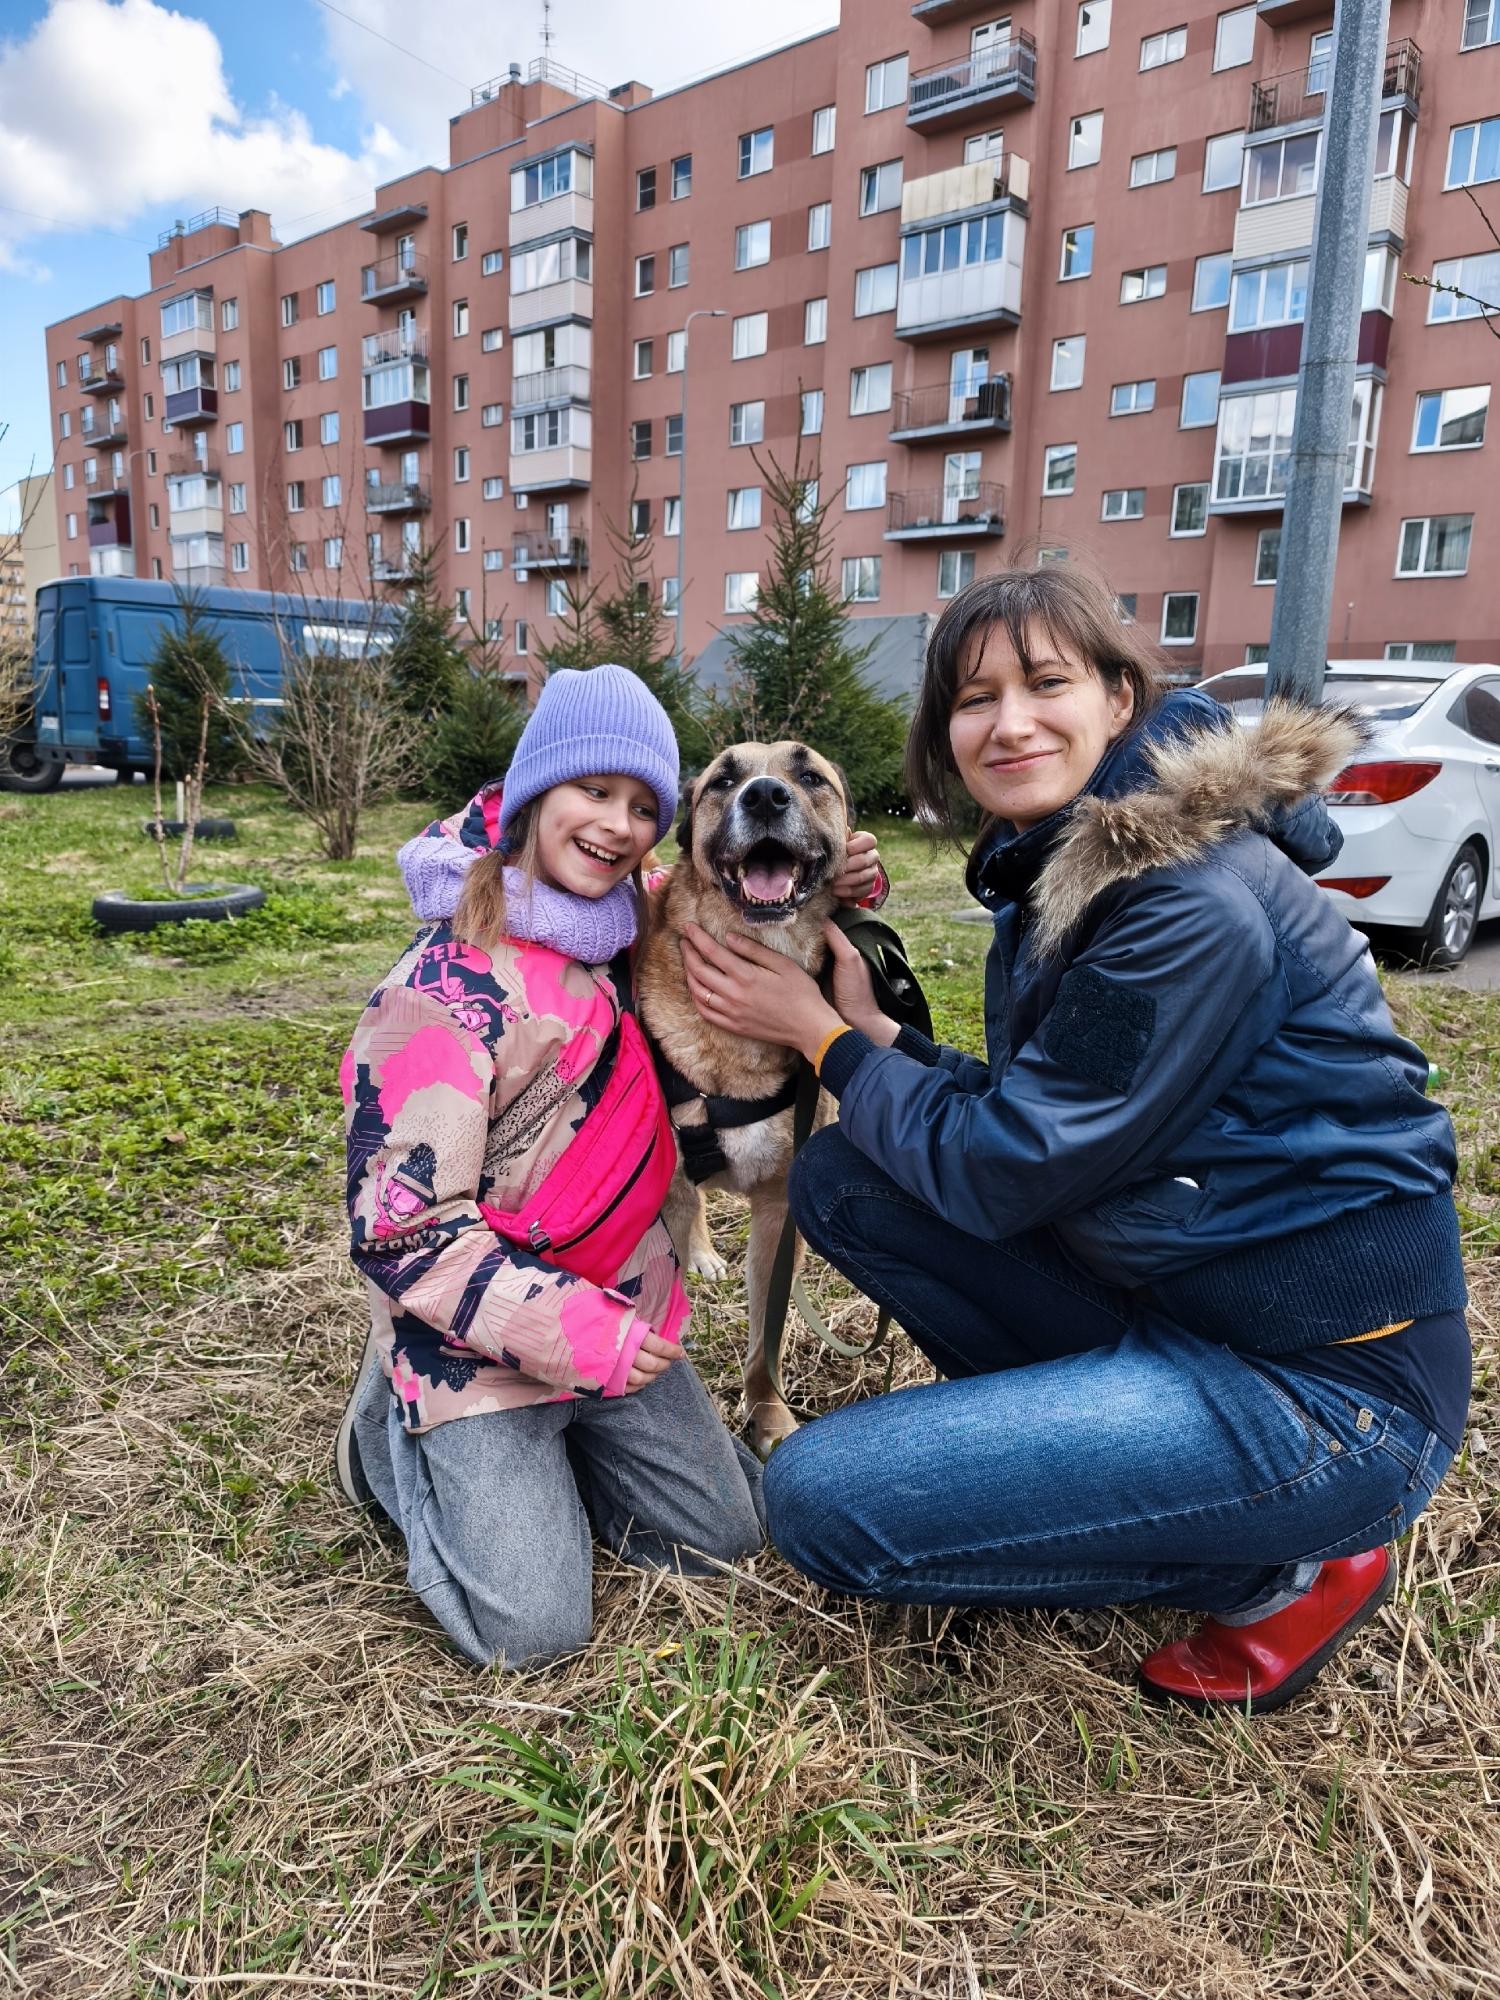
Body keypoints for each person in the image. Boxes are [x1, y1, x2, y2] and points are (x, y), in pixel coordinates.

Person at [679, 567, 1471, 1714]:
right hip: (1191, 1297)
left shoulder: (1186, 901)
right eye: (973, 695)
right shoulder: (1082, 864)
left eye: (1046, 682)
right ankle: (1099, 1454)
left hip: (1326, 1384)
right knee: (849, 1173)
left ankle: (1287, 1559)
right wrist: (877, 1031)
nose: (1008, 720)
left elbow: (1007, 1168)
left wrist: (822, 1041)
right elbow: (1054, 1111)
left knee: (818, 1499)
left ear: (1118, 698)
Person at [335, 665, 766, 1669]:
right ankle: (384, 1442)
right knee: (533, 1628)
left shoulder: (624, 931)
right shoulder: (443, 988)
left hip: (616, 1311)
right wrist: (570, 1335)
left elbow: (725, 893)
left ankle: (560, 1450)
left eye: (643, 806)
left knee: (725, 1538)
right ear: (534, 792)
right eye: (594, 791)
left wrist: (828, 870)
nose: (617, 825)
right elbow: (402, 1226)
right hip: (482, 1337)